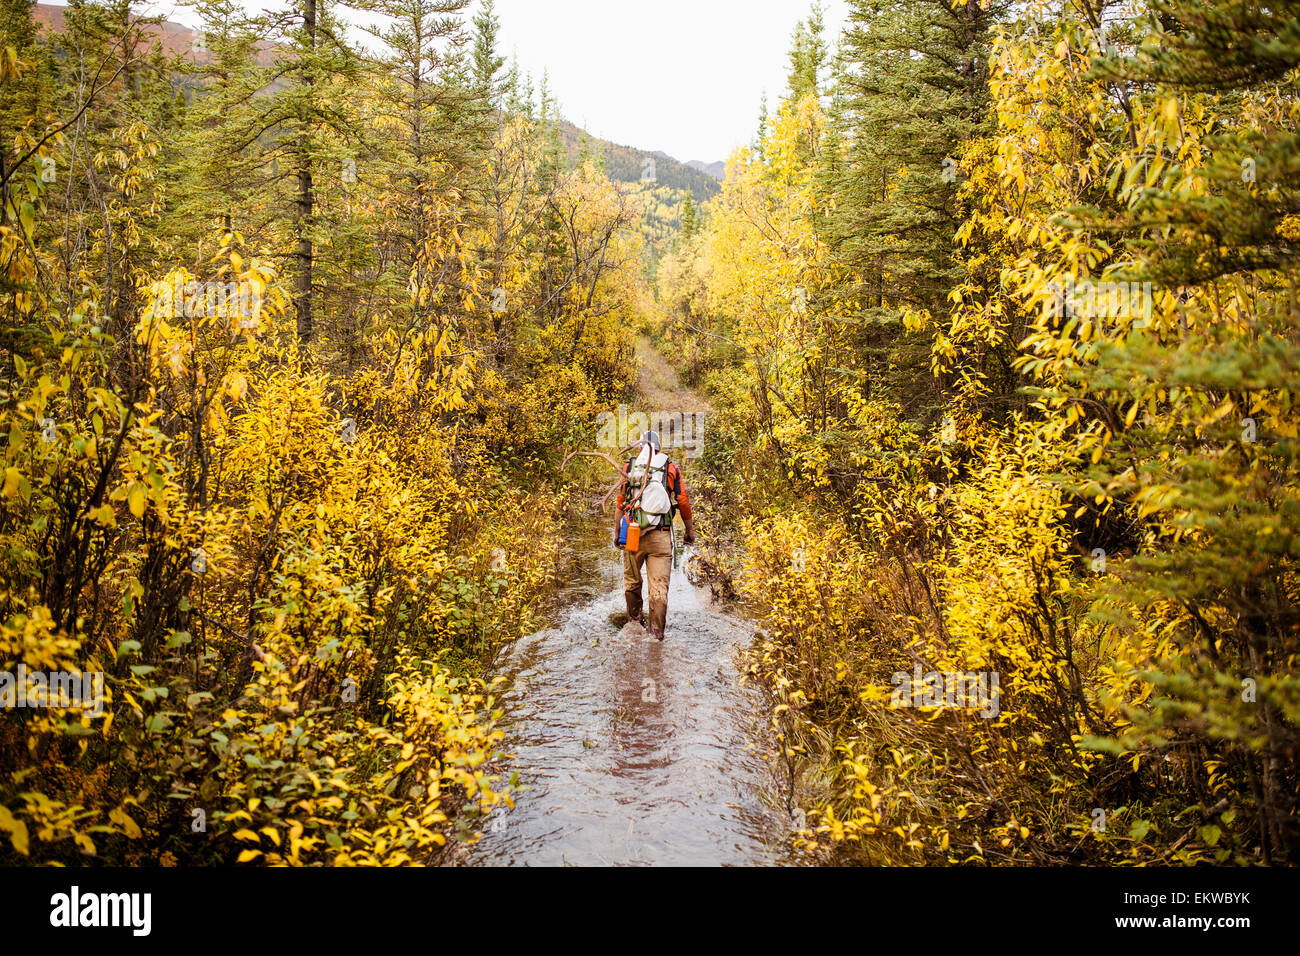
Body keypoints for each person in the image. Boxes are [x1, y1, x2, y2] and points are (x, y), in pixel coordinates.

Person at [617, 430, 695, 641]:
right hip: (661, 535)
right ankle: (656, 635)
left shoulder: (630, 468)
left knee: (632, 582)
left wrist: (617, 534)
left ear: (641, 448)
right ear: (659, 449)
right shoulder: (670, 468)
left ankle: (634, 627)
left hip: (633, 534)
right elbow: (683, 501)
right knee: (659, 587)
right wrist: (689, 530)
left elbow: (620, 503)